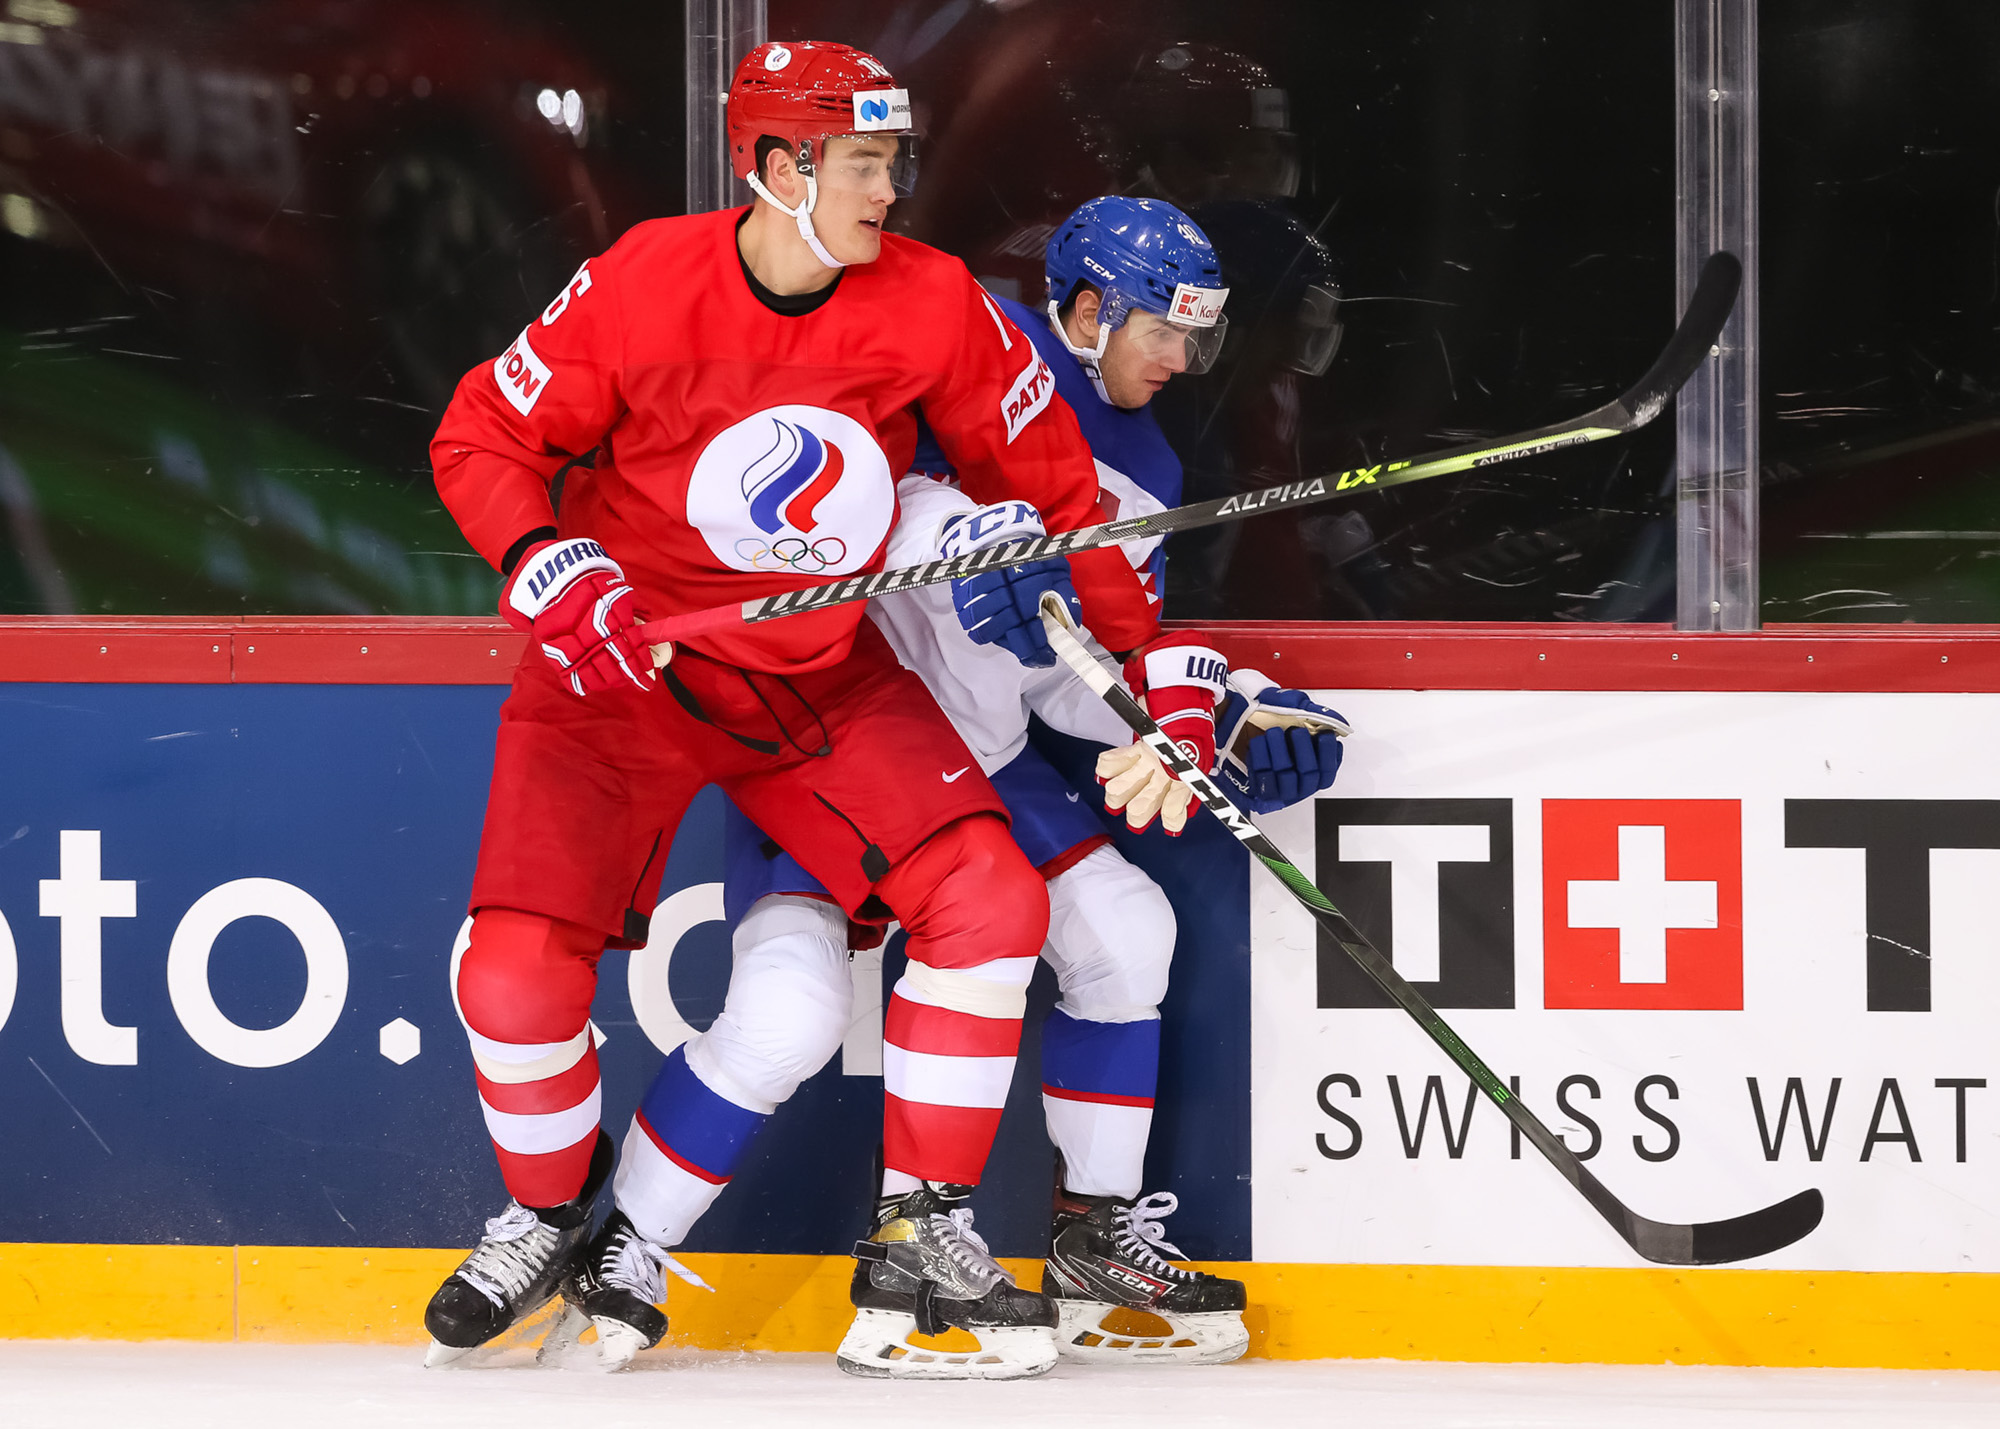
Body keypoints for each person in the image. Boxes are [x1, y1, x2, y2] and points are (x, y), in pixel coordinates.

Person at [418, 41, 1183, 1379]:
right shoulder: (647, 283)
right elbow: (481, 438)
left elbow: (1064, 496)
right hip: (619, 675)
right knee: (511, 979)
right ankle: (549, 1218)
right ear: (777, 171)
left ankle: (918, 1233)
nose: (891, 189)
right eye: (866, 164)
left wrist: (1150, 671)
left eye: (895, 160)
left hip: (812, 679)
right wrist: (551, 562)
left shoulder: (933, 305)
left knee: (990, 899)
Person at [593, 196, 1349, 1377]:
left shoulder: (1142, 459)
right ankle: (623, 1241)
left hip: (982, 755)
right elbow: (832, 492)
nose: (1179, 358)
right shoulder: (956, 350)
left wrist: (1220, 708)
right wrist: (957, 532)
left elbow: (1071, 672)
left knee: (1125, 934)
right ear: (1088, 308)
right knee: (787, 1016)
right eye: (1163, 329)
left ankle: (1086, 1241)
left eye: (1197, 337)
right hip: (835, 739)